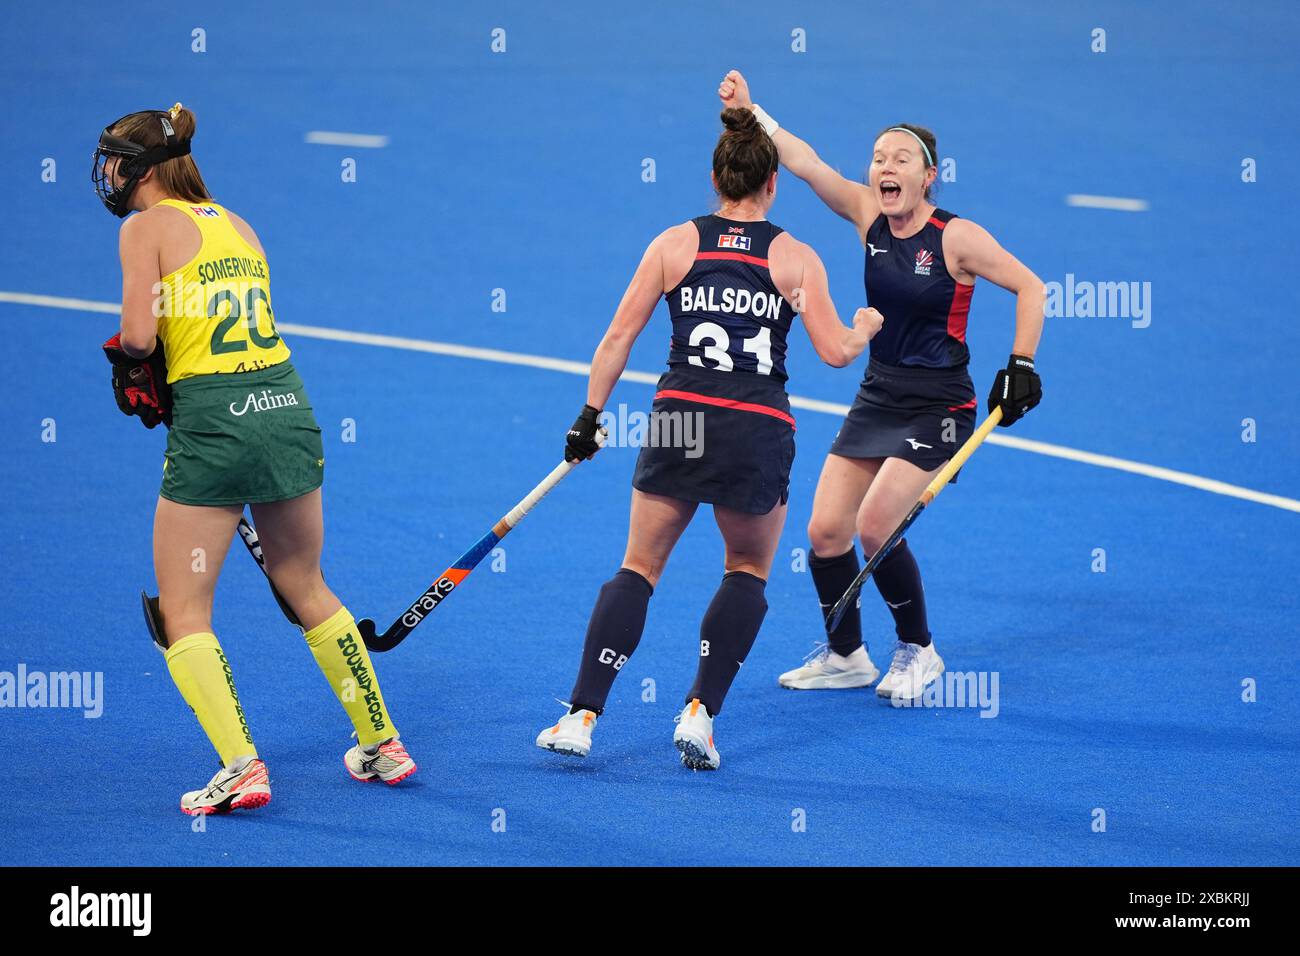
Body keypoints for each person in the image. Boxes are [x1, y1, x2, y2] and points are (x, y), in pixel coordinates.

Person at [536, 107, 881, 770]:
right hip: (757, 427)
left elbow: (617, 338)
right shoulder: (795, 258)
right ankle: (700, 711)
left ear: (715, 179)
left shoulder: (673, 244)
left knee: (639, 567)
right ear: (772, 184)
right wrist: (863, 327)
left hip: (682, 418)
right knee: (746, 569)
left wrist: (588, 416)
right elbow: (836, 353)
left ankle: (581, 716)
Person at [94, 103, 415, 814]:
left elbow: (140, 339)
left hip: (215, 425)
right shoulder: (237, 223)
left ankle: (241, 766)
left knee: (181, 609)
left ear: (142, 169)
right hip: (285, 410)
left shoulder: (141, 228)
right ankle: (382, 742)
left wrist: (132, 373)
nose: (109, 172)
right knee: (305, 583)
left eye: (116, 159)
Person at [716, 70, 1044, 700]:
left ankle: (919, 650)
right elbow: (808, 164)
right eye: (876, 158)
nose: (883, 167)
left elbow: (1031, 287)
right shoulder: (868, 216)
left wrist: (1021, 363)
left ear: (929, 178)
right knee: (825, 533)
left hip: (940, 406)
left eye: (900, 159)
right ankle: (847, 655)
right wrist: (754, 113)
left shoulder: (957, 238)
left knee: (875, 526)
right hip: (879, 394)